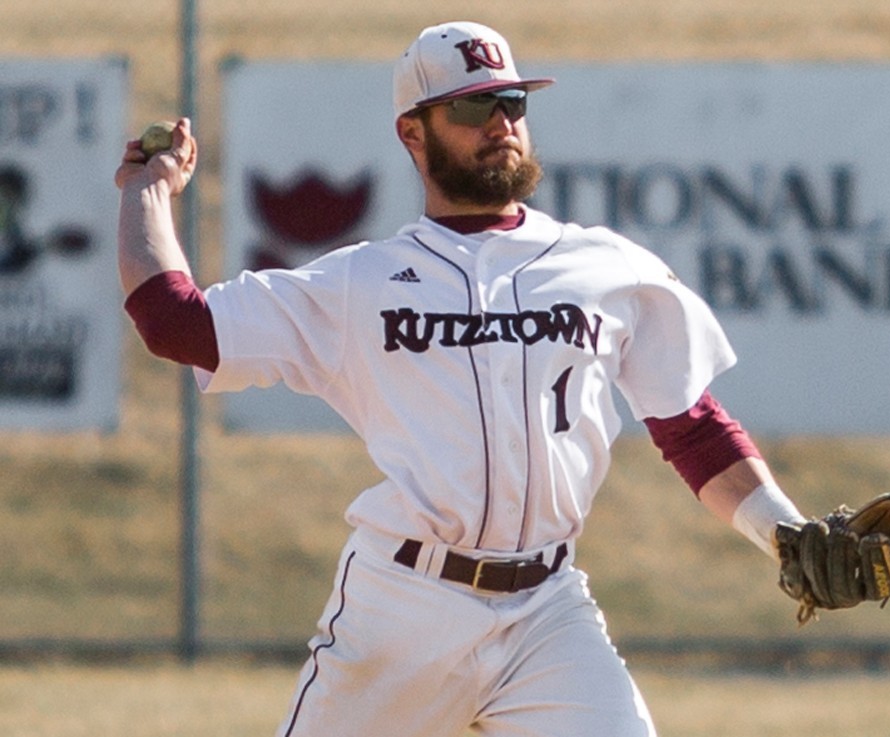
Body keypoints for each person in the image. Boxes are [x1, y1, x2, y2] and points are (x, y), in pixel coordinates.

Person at [116, 20, 809, 737]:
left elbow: (690, 425)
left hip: (548, 610)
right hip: (403, 608)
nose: (502, 123)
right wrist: (147, 193)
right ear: (413, 134)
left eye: (512, 103)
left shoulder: (605, 267)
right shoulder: (360, 282)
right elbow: (174, 324)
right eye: (474, 107)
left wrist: (786, 533)